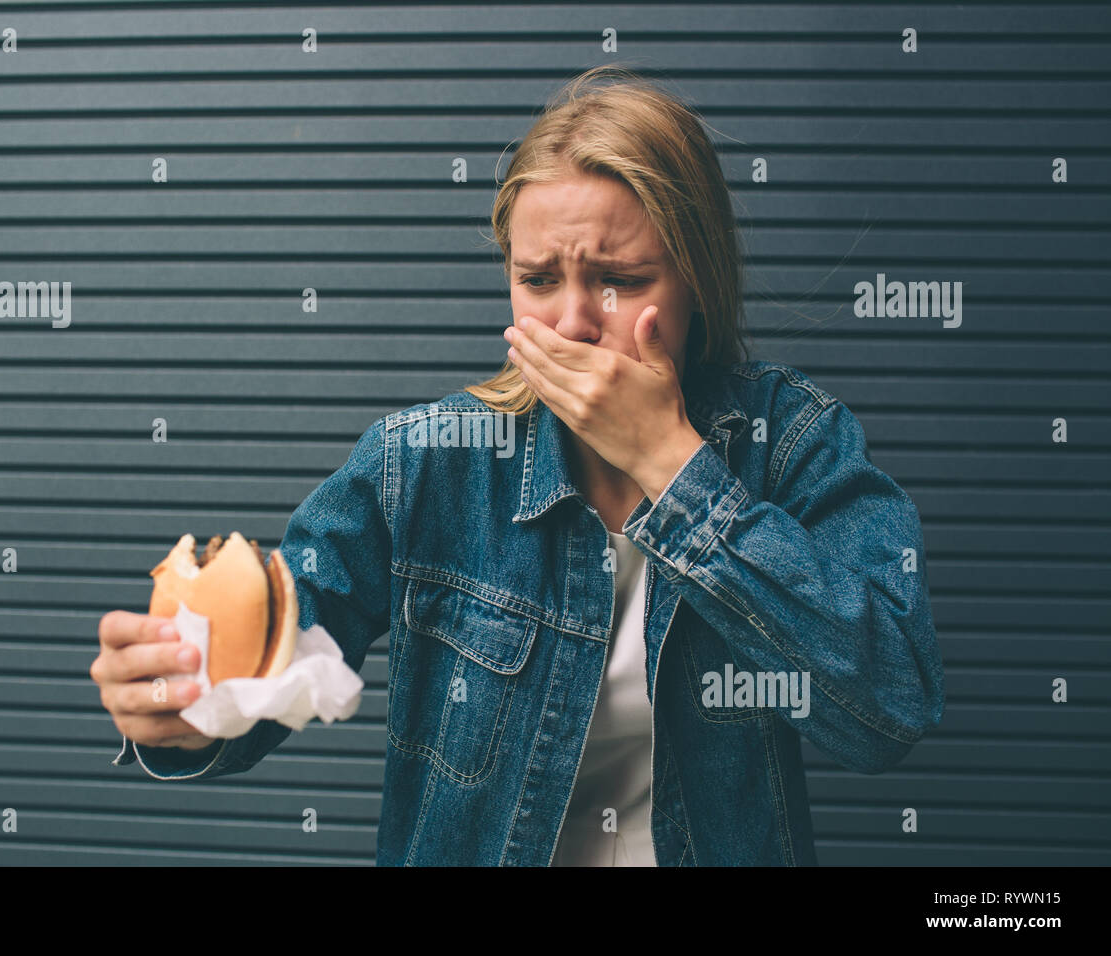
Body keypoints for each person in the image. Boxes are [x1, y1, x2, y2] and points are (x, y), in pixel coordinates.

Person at [90, 65, 944, 866]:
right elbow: (273, 663)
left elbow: (889, 709)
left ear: (697, 280)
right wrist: (181, 708)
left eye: (619, 278)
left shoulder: (794, 444)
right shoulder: (419, 466)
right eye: (537, 279)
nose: (572, 322)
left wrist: (675, 468)